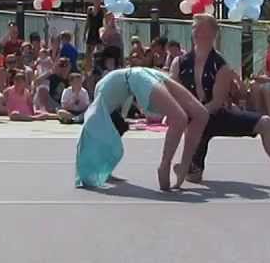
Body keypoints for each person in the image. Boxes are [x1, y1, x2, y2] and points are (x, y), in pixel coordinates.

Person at [173, 14, 270, 191]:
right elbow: (173, 93)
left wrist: (198, 113)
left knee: (266, 123)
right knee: (195, 176)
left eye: (200, 27)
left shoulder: (220, 65)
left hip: (214, 115)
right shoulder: (180, 62)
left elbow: (216, 103)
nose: (195, 31)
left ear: (212, 33)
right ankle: (191, 167)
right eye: (194, 28)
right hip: (192, 119)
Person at [75, 66, 209, 190]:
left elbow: (87, 139)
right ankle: (182, 167)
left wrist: (87, 173)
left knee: (180, 118)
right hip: (146, 73)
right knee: (201, 114)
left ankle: (167, 166)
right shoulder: (107, 104)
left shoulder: (98, 108)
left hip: (139, 76)